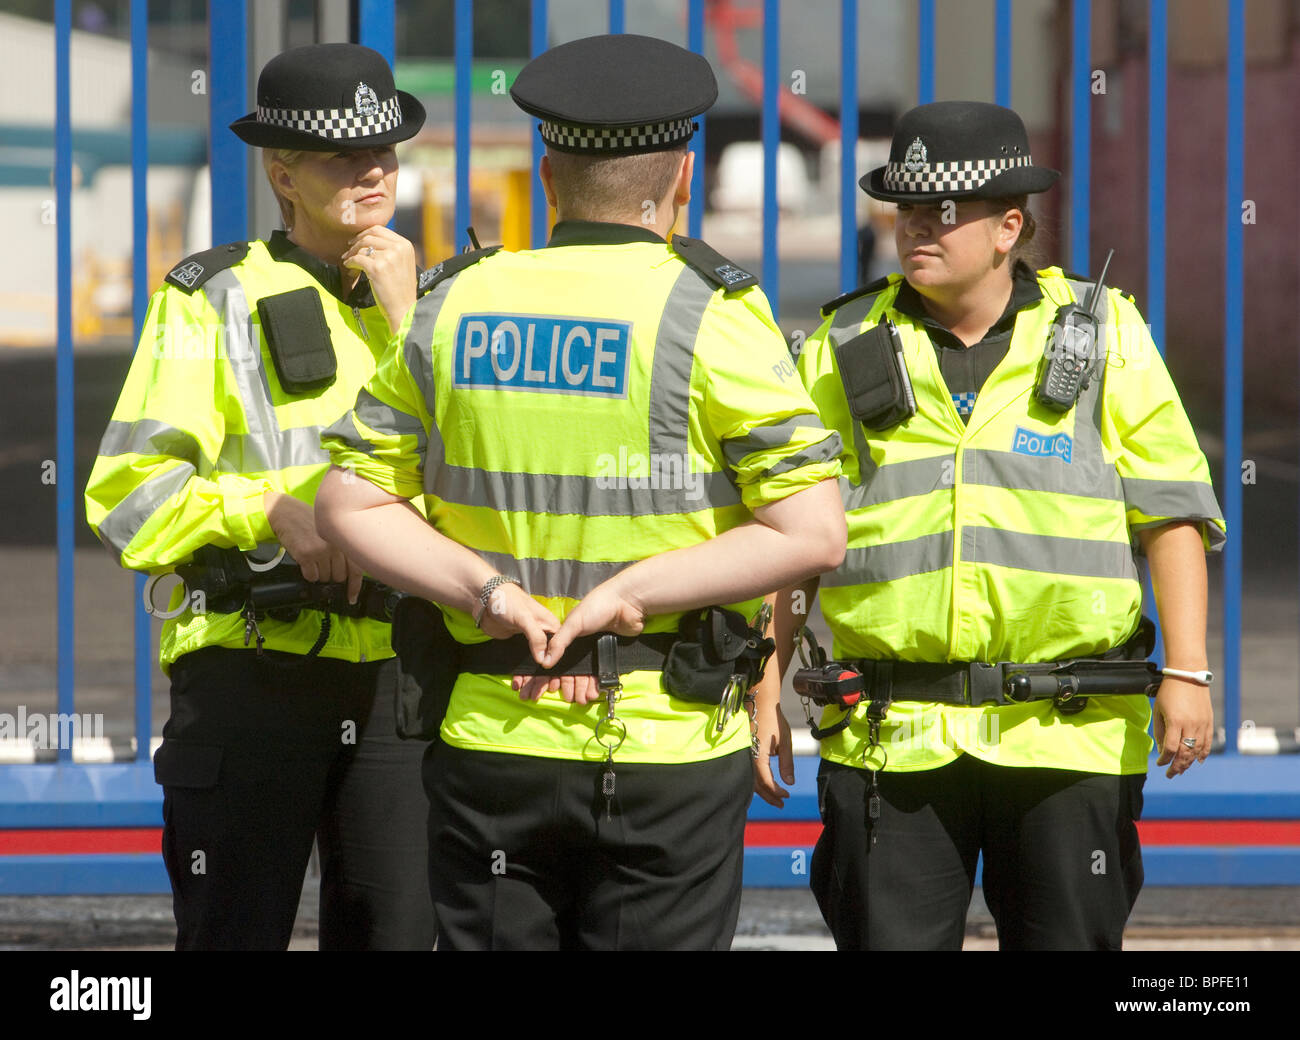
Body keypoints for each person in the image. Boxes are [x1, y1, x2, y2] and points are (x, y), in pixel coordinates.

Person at [315, 33, 846, 951]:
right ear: (681, 175)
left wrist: (487, 592)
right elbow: (812, 534)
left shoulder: (456, 305)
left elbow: (347, 504)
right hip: (665, 753)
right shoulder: (710, 311)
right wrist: (630, 593)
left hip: (490, 738)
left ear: (549, 173)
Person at [759, 101, 1225, 951]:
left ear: (1010, 226)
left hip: (1067, 736)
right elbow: (795, 529)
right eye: (906, 210)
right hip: (891, 738)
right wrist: (766, 679)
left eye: (943, 212)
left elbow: (1173, 512)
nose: (916, 230)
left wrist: (1186, 671)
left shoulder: (1103, 332)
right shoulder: (843, 341)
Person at [84, 43, 438, 951]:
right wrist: (272, 511)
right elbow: (129, 494)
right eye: (339, 157)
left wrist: (413, 324)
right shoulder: (213, 298)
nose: (371, 171)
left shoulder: (443, 305)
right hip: (251, 667)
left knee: (398, 934)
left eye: (384, 152)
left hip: (401, 673)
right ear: (281, 173)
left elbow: (487, 481)